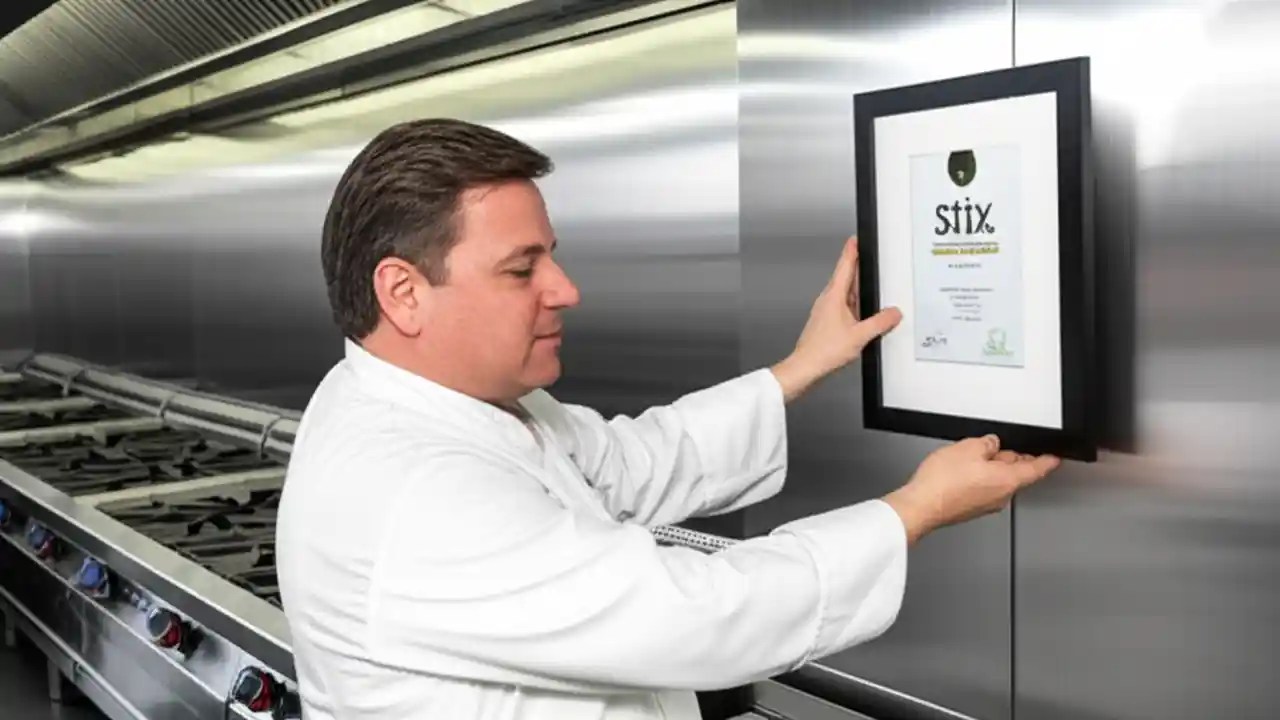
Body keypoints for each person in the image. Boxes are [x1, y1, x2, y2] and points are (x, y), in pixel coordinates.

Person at [275, 118, 1060, 720]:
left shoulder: (450, 402)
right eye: (523, 269)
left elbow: (631, 462)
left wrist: (801, 367)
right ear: (403, 292)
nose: (564, 289)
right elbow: (693, 612)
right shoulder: (408, 490)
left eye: (550, 254)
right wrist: (915, 511)